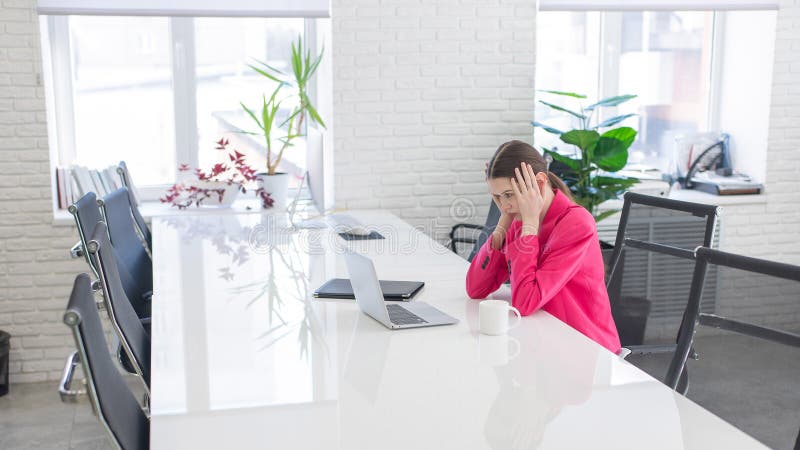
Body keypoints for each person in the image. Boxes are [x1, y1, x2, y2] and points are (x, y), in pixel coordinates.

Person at [466, 140, 621, 354]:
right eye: (497, 197)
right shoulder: (517, 220)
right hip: (544, 340)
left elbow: (525, 302)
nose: (504, 205)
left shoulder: (576, 223)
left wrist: (529, 226)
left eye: (509, 195)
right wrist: (503, 223)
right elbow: (476, 289)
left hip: (586, 349)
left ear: (538, 184)